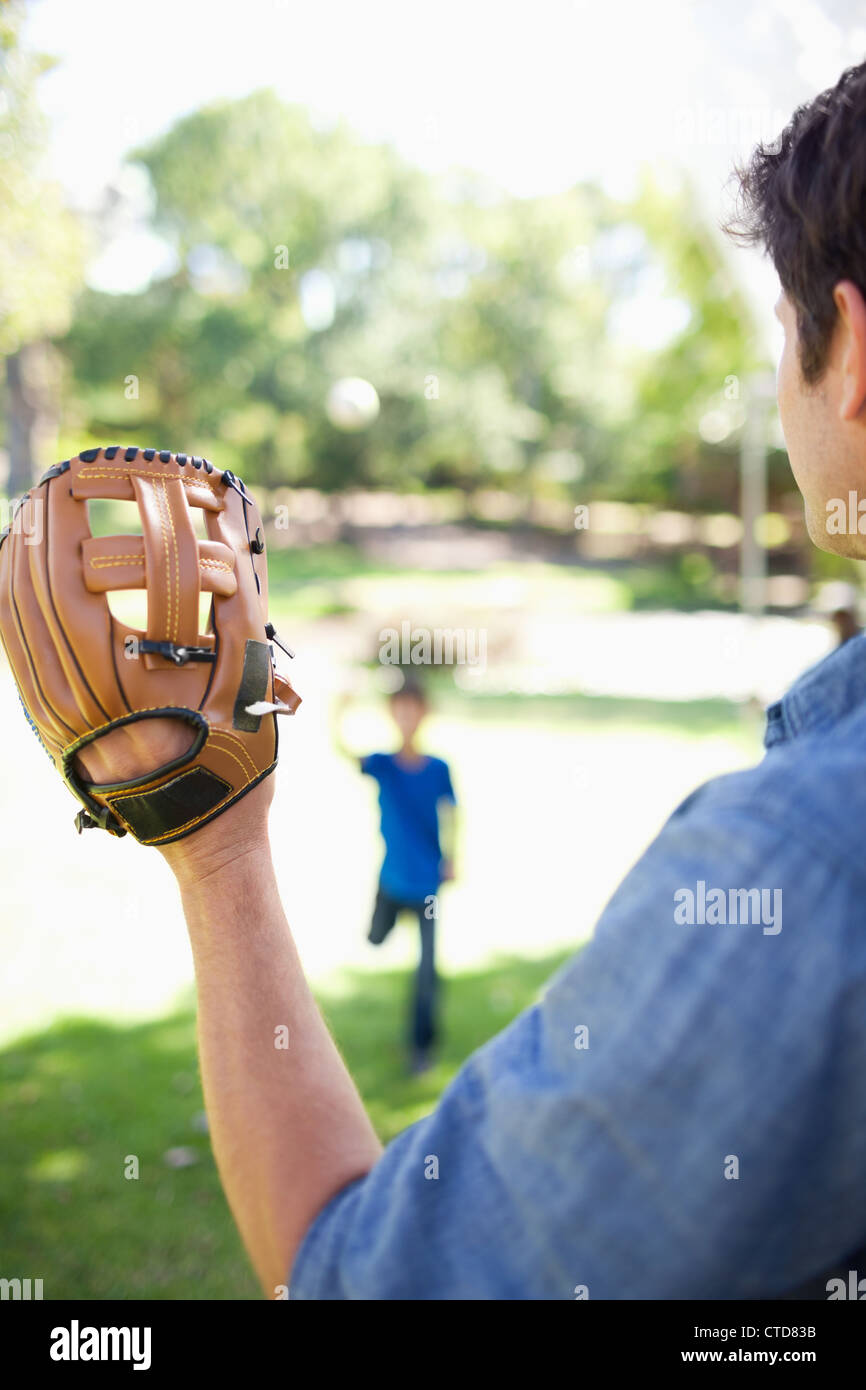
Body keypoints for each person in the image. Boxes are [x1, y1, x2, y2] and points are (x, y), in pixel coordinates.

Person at [38, 59, 866, 1300]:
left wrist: (208, 842)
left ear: (848, 352)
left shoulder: (805, 857)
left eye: (783, 335)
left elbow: (362, 1283)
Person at [332, 676, 457, 1073]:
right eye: (399, 710)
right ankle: (385, 925)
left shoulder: (438, 768)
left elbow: (451, 814)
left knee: (427, 970)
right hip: (391, 881)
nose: (406, 718)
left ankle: (421, 1049)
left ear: (425, 714)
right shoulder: (383, 764)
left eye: (413, 710)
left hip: (428, 889)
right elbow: (343, 749)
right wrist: (340, 711)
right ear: (391, 714)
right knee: (375, 939)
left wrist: (452, 857)